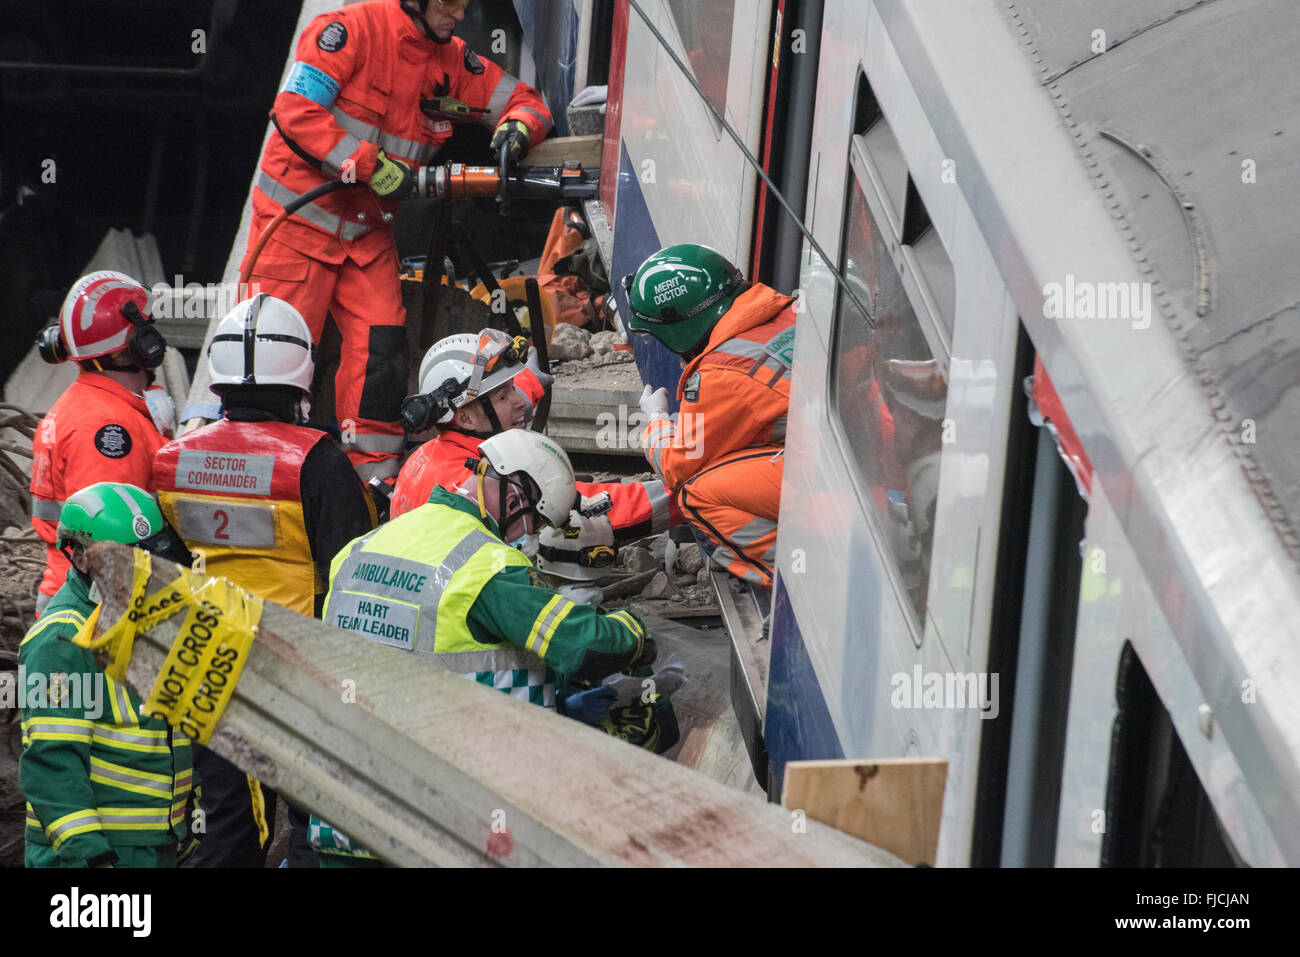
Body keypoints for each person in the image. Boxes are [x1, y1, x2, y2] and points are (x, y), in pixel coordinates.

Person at [314, 429, 665, 864]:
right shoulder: (486, 565)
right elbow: (584, 647)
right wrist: (633, 632)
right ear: (518, 497)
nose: (530, 536)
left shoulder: (360, 549)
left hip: (343, 811)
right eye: (535, 521)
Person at [240, 0, 552, 485]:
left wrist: (518, 129)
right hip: (295, 229)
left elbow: (525, 100)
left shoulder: (450, 59)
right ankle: (265, 479)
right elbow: (296, 112)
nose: (462, 14)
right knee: (269, 364)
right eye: (450, 3)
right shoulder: (347, 32)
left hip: (366, 235)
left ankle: (373, 486)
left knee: (382, 356)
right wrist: (372, 165)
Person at [152, 294, 376, 867]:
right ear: (302, 375)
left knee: (228, 825)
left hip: (206, 659)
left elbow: (166, 568)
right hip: (294, 664)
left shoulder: (171, 460)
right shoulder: (318, 460)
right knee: (311, 822)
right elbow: (350, 569)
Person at [19, 483, 199, 868]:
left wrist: (191, 819)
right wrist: (91, 855)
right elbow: (52, 764)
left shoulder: (148, 618)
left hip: (159, 843)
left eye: (151, 556)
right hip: (97, 853)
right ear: (80, 558)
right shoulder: (63, 641)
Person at [390, 329, 676, 538]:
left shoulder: (427, 454)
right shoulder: (482, 486)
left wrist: (525, 385)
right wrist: (689, 494)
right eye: (504, 396)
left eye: (514, 388)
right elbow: (583, 508)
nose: (517, 402)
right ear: (464, 417)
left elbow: (489, 410)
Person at [624, 244, 794, 588]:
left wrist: (656, 421)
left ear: (677, 326)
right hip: (865, 446)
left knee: (697, 491)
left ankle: (791, 581)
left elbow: (678, 464)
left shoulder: (720, 373)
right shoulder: (783, 311)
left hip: (843, 478)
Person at [30, 271, 170, 615]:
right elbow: (110, 544)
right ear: (141, 341)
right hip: (95, 609)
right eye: (148, 323)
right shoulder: (107, 428)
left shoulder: (90, 406)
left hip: (75, 599)